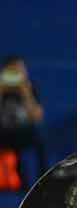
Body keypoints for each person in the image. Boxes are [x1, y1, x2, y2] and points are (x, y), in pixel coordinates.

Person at [0, 56, 48, 188]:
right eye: (12, 72)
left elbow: (37, 118)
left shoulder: (29, 90)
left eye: (19, 71)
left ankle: (41, 183)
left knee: (40, 141)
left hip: (23, 133)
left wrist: (26, 93)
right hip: (2, 133)